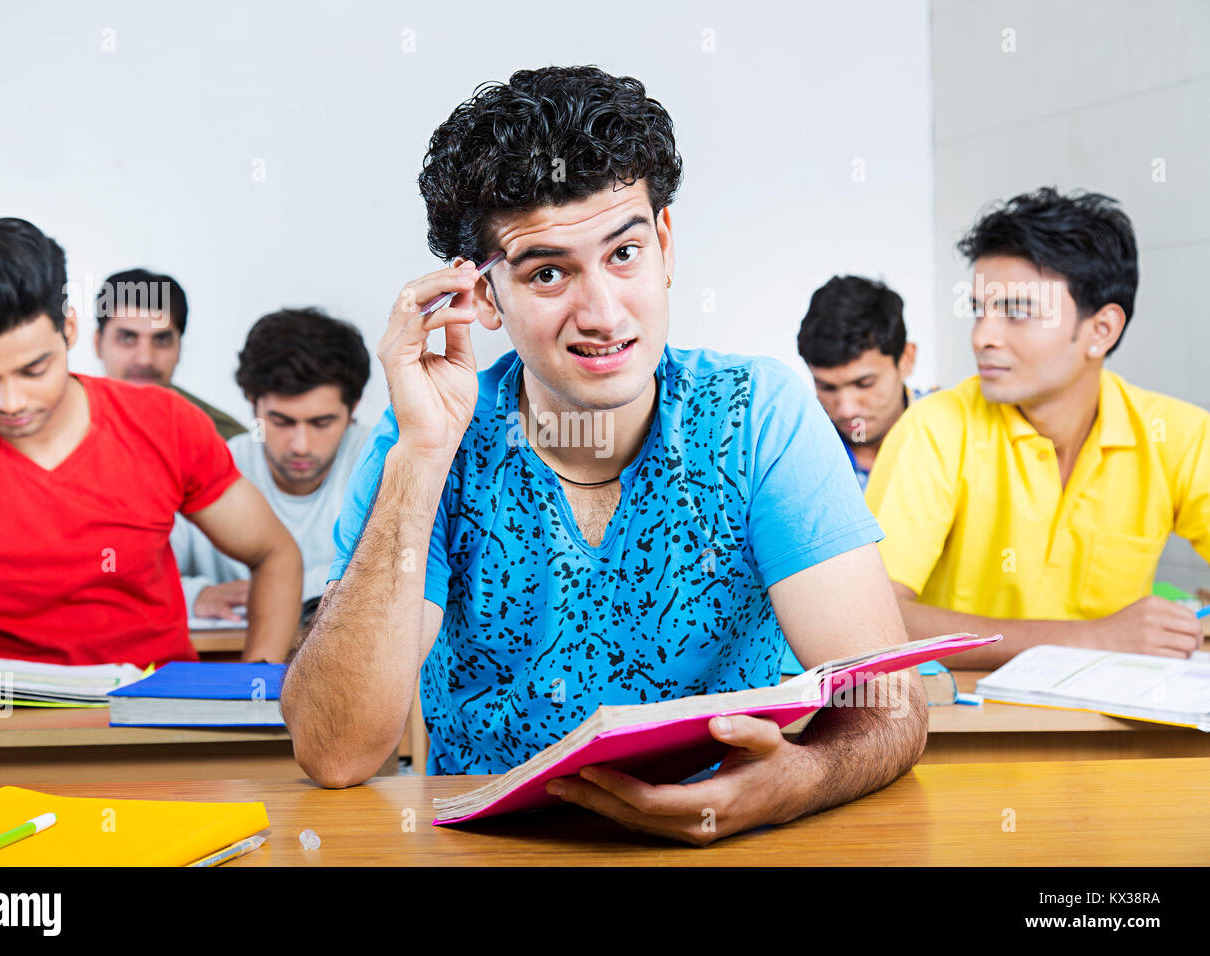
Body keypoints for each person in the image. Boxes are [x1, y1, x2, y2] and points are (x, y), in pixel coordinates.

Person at [280, 66, 927, 846]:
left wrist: (798, 781)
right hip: (498, 857)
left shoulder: (759, 416)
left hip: (737, 846)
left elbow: (888, 705)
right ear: (483, 298)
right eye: (548, 272)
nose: (603, 312)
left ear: (664, 244)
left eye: (623, 254)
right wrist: (422, 452)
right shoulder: (425, 439)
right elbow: (337, 752)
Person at [0, 218, 302, 672]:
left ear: (70, 330)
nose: (10, 402)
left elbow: (275, 554)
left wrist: (253, 692)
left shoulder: (165, 423)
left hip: (152, 726)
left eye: (34, 369)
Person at [866, 188, 1210, 670]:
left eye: (1017, 312)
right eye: (978, 309)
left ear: (1101, 331)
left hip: (1117, 727)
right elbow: (869, 623)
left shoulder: (1177, 435)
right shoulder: (935, 429)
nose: (982, 336)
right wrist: (1090, 638)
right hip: (973, 735)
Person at [172, 307, 373, 621]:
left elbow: (396, 575)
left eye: (322, 423)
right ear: (252, 404)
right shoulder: (210, 466)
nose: (300, 446)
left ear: (353, 409)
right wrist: (193, 595)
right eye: (281, 421)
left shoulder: (388, 463)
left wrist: (271, 590)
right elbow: (133, 576)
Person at [797, 275, 931, 490]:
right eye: (827, 387)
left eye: (865, 383)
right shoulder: (791, 449)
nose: (847, 410)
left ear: (906, 359)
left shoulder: (956, 431)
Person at [94, 268, 246, 439]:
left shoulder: (224, 440)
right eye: (127, 339)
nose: (145, 359)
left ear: (179, 348)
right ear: (97, 343)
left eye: (161, 340)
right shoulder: (62, 426)